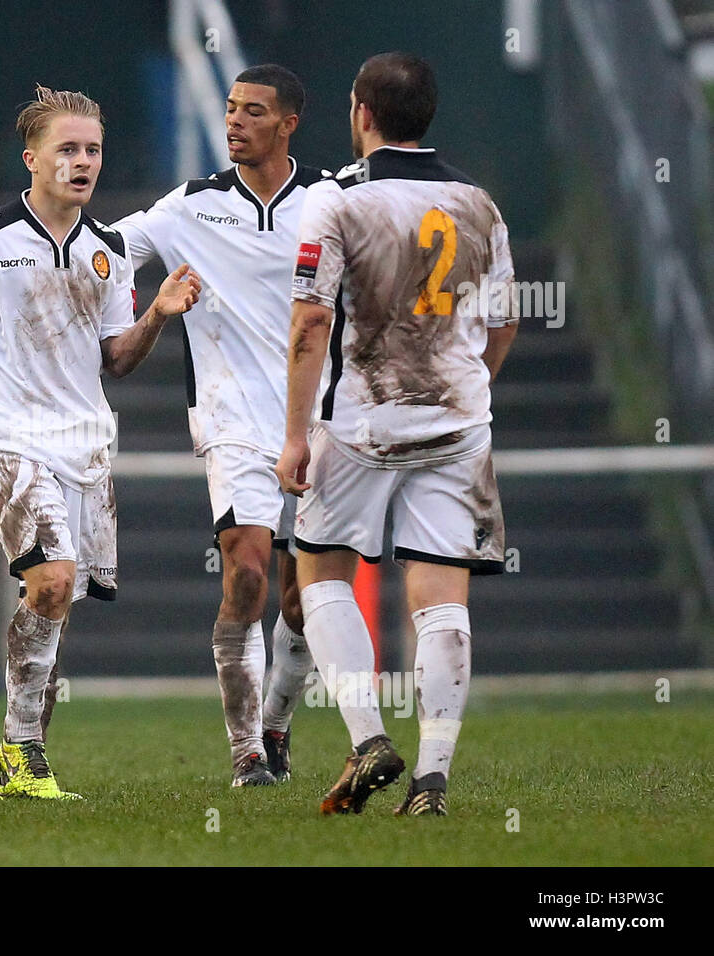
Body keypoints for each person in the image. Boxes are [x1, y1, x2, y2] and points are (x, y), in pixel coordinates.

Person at [0, 85, 201, 800]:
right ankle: (20, 750)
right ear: (31, 158)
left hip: (86, 450)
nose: (82, 162)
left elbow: (117, 359)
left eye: (92, 150)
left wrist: (159, 313)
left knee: (55, 601)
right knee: (53, 581)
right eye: (66, 149)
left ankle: (25, 752)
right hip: (9, 442)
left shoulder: (106, 253)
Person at [277, 53, 518, 816]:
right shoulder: (478, 202)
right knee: (443, 600)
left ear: (361, 112)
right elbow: (504, 319)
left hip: (362, 423)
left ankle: (368, 737)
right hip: (457, 422)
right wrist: (466, 391)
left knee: (321, 575)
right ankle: (433, 783)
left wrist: (293, 435)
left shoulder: (335, 198)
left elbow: (312, 320)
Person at [115, 65, 323, 787]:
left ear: (288, 123)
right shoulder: (189, 208)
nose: (234, 122)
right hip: (233, 419)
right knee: (248, 570)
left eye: (253, 112)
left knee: (307, 598)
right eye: (230, 109)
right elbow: (102, 249)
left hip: (320, 422)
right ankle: (246, 757)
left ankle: (276, 722)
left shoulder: (329, 204)